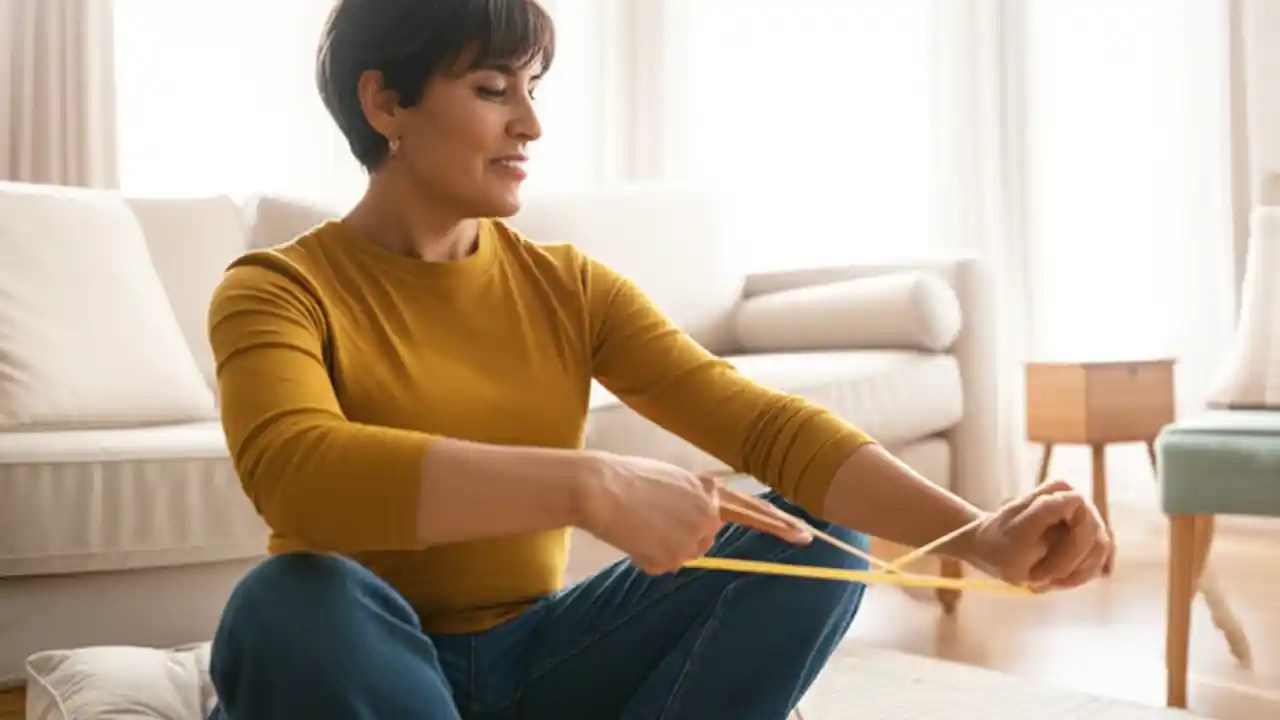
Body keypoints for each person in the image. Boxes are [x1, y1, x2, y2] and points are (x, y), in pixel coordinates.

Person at [205, 1, 1113, 718]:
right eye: (492, 89)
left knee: (817, 533)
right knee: (292, 599)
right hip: (373, 669)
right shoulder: (278, 289)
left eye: (533, 88)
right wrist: (586, 484)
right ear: (386, 102)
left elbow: (767, 428)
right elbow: (299, 473)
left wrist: (985, 536)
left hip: (541, 658)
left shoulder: (567, 286)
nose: (530, 124)